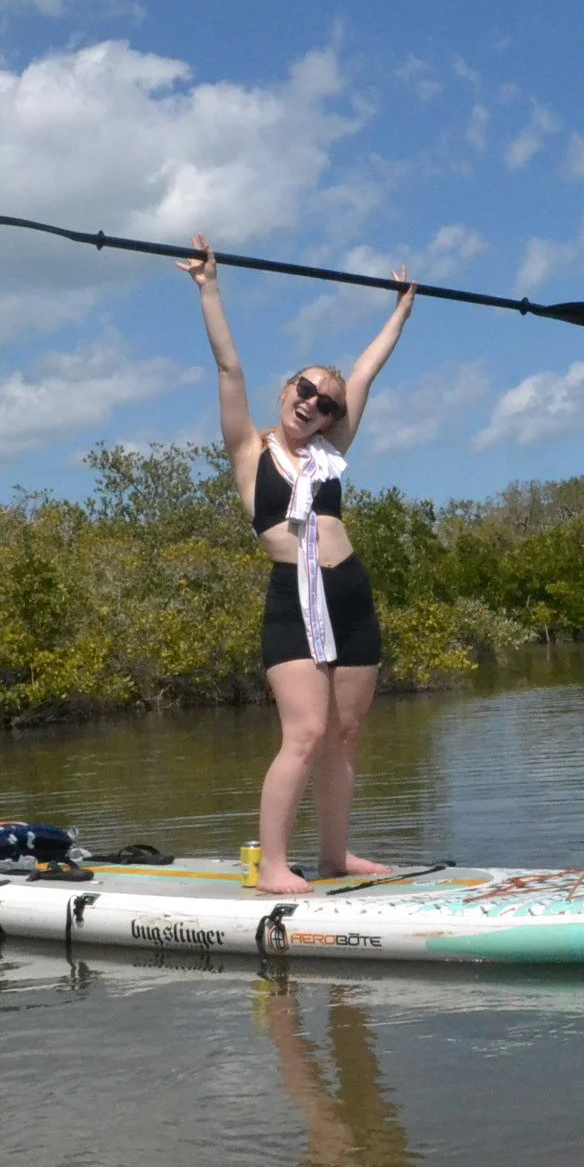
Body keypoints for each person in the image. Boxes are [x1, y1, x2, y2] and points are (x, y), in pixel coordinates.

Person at [181, 233, 414, 894]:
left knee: (344, 735)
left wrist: (400, 311)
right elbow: (229, 369)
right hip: (294, 597)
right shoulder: (249, 452)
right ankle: (276, 866)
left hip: (350, 594)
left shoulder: (330, 455)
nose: (314, 403)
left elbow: (365, 373)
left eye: (327, 404)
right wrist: (209, 288)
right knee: (306, 733)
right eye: (307, 390)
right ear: (289, 389)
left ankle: (337, 858)